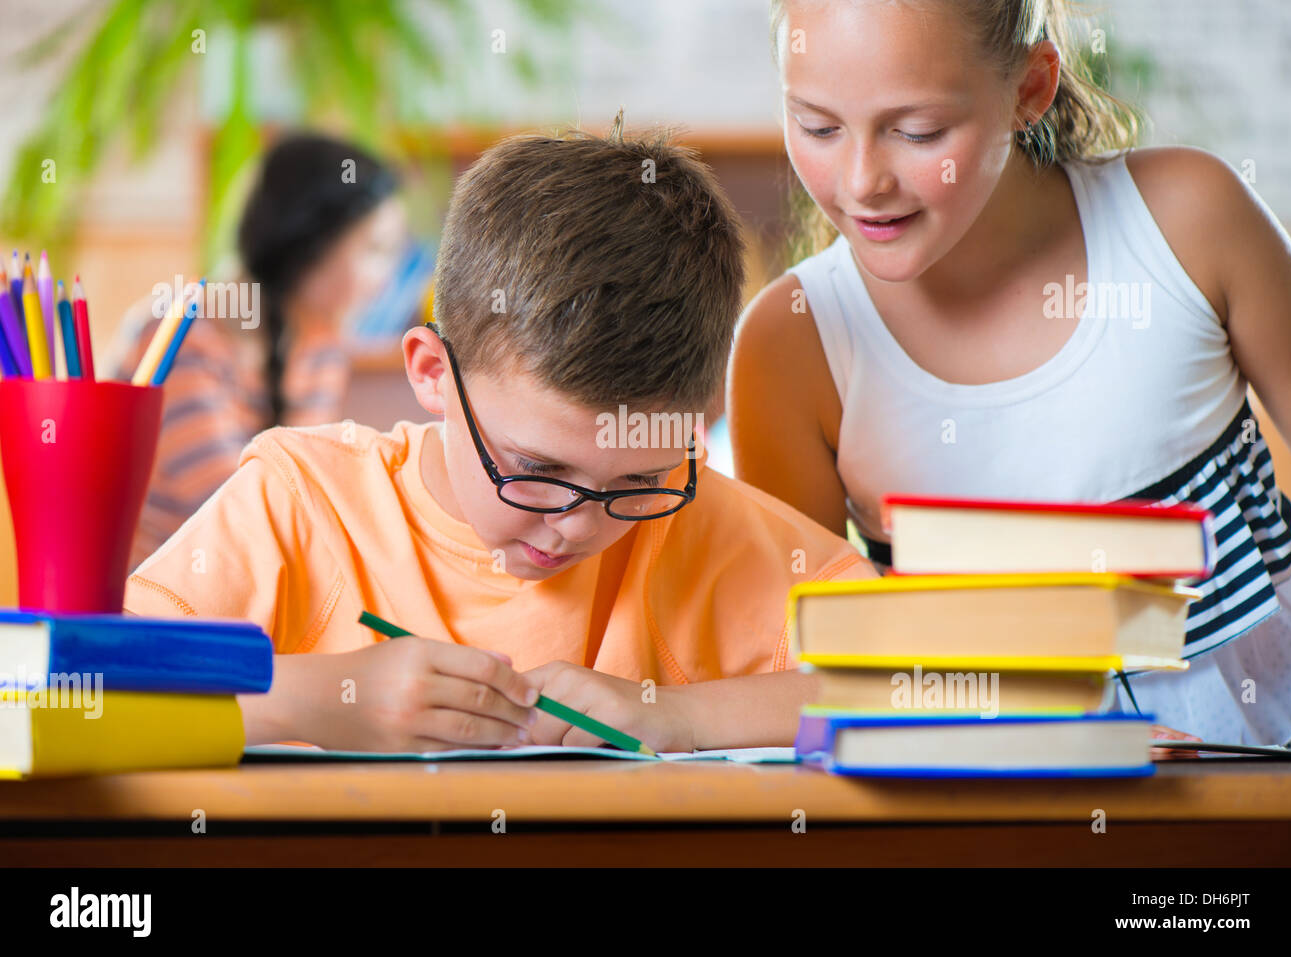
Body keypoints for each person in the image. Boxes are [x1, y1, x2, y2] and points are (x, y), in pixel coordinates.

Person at [122, 119, 876, 754]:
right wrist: (316, 700)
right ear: (431, 373)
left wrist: (672, 714)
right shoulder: (303, 501)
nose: (577, 524)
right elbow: (72, 693)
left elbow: (917, 680)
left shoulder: (702, 523)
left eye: (638, 481)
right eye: (536, 468)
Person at [728, 0, 1291, 746]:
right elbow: (805, 676)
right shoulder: (793, 342)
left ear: (1030, 89)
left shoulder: (1188, 220)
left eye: (917, 132)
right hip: (995, 814)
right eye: (817, 126)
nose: (862, 180)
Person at [111, 132, 408, 570]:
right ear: (309, 245)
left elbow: (299, 498)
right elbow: (233, 518)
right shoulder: (182, 339)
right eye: (373, 250)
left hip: (244, 594)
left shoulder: (320, 348)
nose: (386, 280)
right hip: (152, 603)